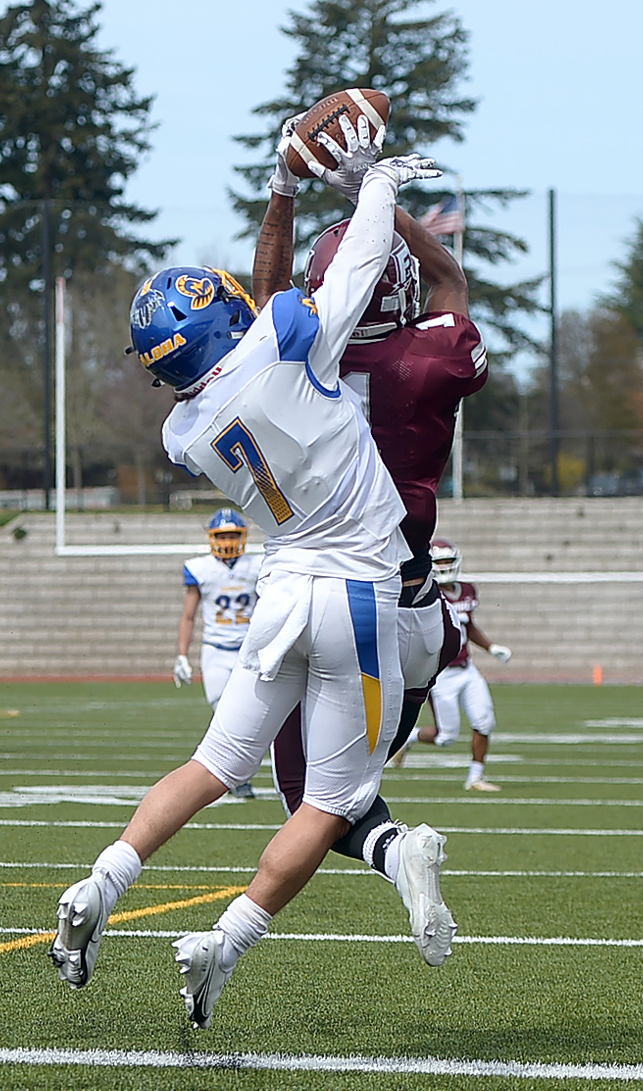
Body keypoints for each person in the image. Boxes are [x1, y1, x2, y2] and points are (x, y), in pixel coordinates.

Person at [51, 125, 439, 1028]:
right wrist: (374, 183)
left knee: (215, 762)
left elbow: (267, 309)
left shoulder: (183, 432)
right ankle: (223, 941)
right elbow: (351, 270)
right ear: (227, 319)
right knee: (331, 801)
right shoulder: (284, 343)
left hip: (280, 591)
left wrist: (283, 189)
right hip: (356, 592)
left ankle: (98, 884)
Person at [264, 172, 491, 963]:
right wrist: (382, 198)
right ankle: (399, 852)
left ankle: (398, 853)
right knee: (350, 782)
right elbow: (452, 278)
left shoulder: (294, 372)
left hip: (335, 607)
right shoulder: (437, 356)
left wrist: (291, 192)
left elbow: (273, 303)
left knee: (312, 800)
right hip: (421, 613)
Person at [174, 508, 261, 800]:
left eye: (232, 535)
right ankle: (235, 777)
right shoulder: (201, 569)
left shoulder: (258, 565)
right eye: (222, 535)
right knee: (223, 714)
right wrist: (182, 655)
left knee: (250, 717)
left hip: (250, 651)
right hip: (216, 651)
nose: (227, 541)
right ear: (212, 538)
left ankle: (242, 778)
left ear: (243, 537)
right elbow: (189, 616)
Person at [421, 539, 512, 791]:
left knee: (484, 721)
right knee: (445, 737)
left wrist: (491, 647)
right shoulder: (424, 594)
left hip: (467, 669)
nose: (445, 566)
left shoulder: (467, 591)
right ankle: (409, 738)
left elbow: (467, 626)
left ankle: (475, 778)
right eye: (440, 561)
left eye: (449, 561)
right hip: (440, 674)